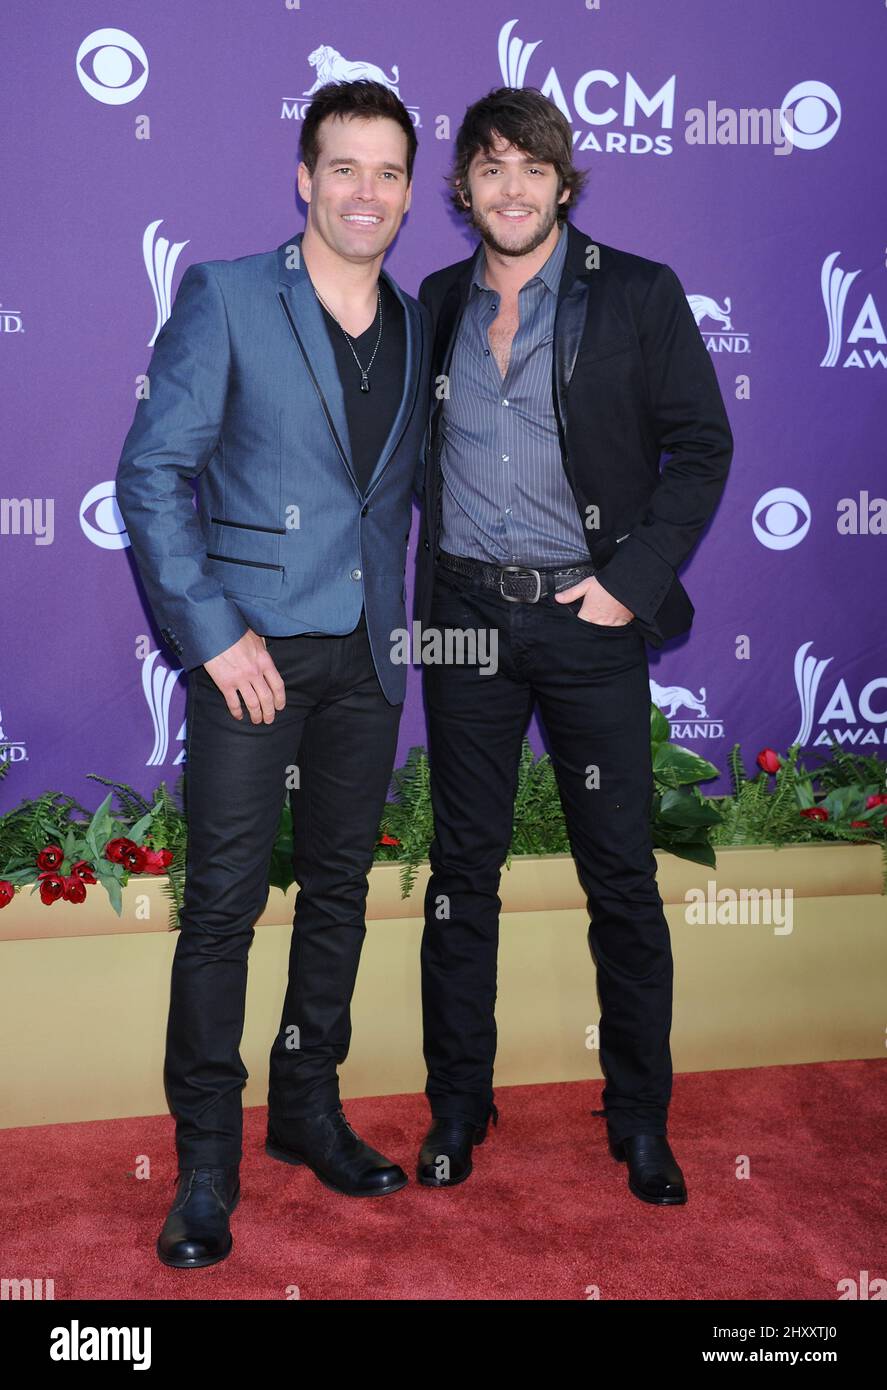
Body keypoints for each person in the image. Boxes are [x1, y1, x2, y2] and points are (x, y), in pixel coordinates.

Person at [115, 79, 431, 1268]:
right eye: (342, 167)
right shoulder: (230, 295)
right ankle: (204, 1164)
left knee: (340, 897)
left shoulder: (418, 326)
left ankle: (305, 1107)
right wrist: (211, 630)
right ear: (304, 177)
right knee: (222, 913)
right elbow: (151, 473)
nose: (365, 192)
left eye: (387, 172)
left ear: (409, 193)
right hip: (248, 654)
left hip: (367, 660)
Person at [413, 86, 733, 1204]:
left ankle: (638, 1115)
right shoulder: (436, 296)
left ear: (562, 182)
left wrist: (628, 584)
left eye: (530, 167)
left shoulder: (636, 293)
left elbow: (699, 447)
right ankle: (458, 1102)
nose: (510, 187)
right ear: (462, 189)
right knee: (461, 873)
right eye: (488, 167)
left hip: (585, 620)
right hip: (463, 620)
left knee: (619, 876)